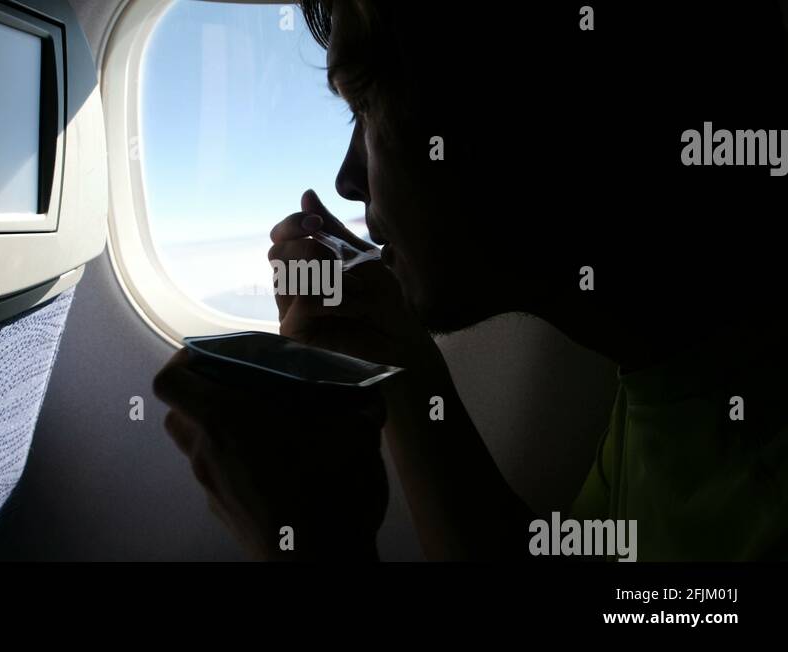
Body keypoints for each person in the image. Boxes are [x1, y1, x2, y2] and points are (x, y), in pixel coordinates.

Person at [153, 0, 788, 560]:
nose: (347, 178)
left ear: (510, 108)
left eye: (367, 107)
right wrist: (397, 352)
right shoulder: (679, 367)